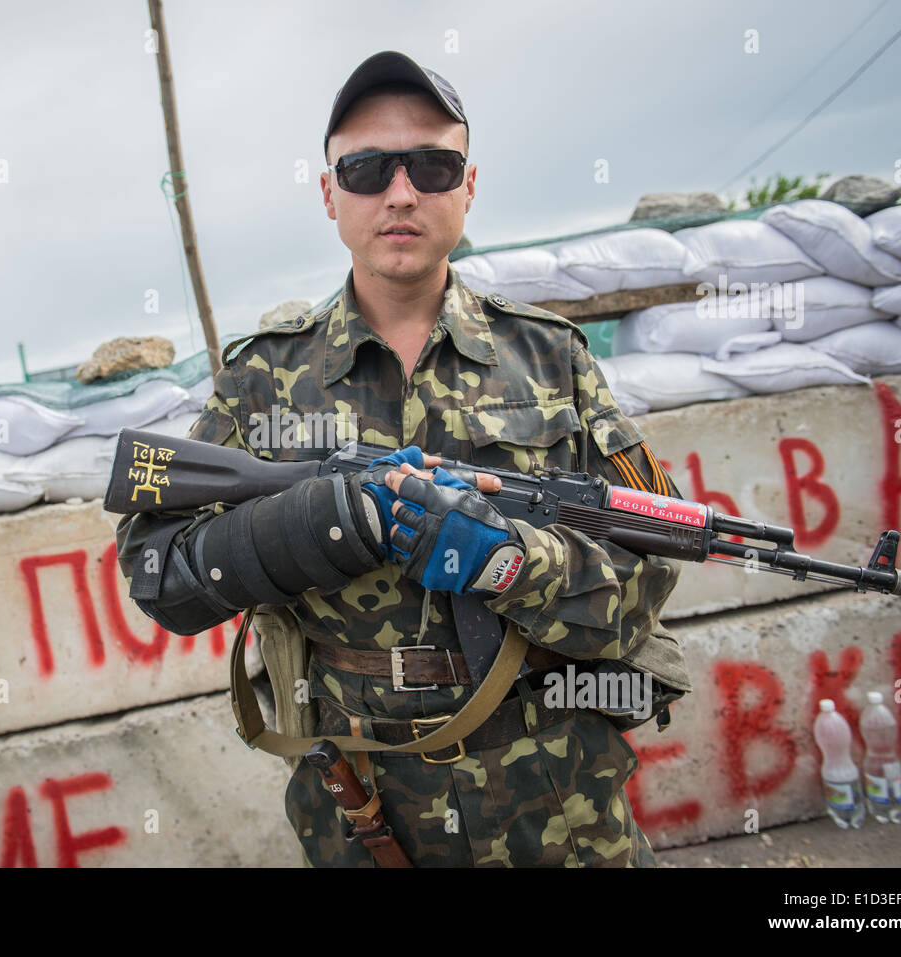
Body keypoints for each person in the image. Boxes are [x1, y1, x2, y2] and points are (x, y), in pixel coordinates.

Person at [116, 50, 688, 867]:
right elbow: (158, 573)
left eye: (432, 164)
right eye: (364, 169)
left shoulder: (550, 356)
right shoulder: (261, 378)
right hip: (363, 807)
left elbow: (651, 570)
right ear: (328, 194)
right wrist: (316, 526)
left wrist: (511, 562)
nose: (400, 192)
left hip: (556, 796)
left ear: (469, 184)